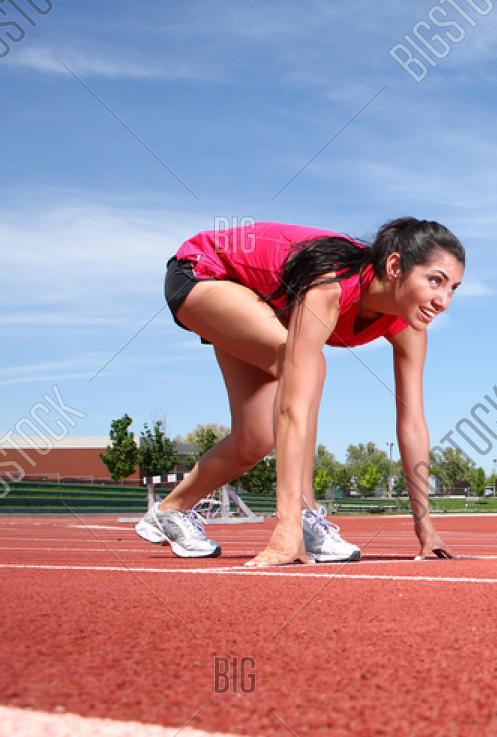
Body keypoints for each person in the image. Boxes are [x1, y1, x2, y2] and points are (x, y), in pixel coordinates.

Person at [136, 218, 464, 566]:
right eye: (435, 281)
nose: (443, 301)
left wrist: (425, 525)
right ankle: (302, 520)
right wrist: (286, 531)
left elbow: (412, 422)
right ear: (395, 266)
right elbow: (294, 405)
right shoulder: (331, 286)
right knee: (305, 366)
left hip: (258, 298)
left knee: (256, 438)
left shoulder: (409, 324)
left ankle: (170, 511)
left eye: (453, 288)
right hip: (204, 273)